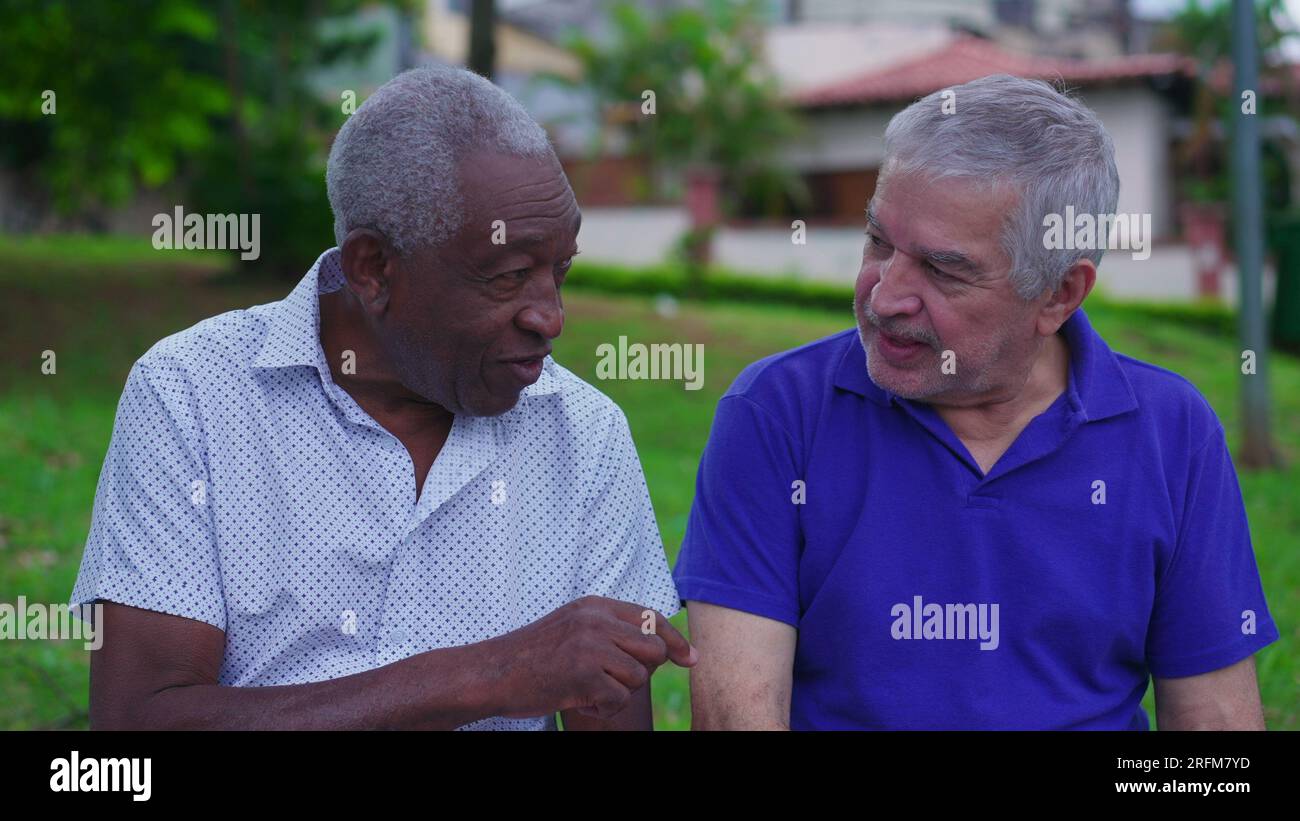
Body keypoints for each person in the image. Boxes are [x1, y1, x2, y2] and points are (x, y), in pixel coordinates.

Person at [71, 65, 694, 731]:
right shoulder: (193, 392)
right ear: (372, 268)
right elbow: (135, 729)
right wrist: (488, 675)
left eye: (560, 271)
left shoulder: (585, 433)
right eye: (510, 275)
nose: (550, 317)